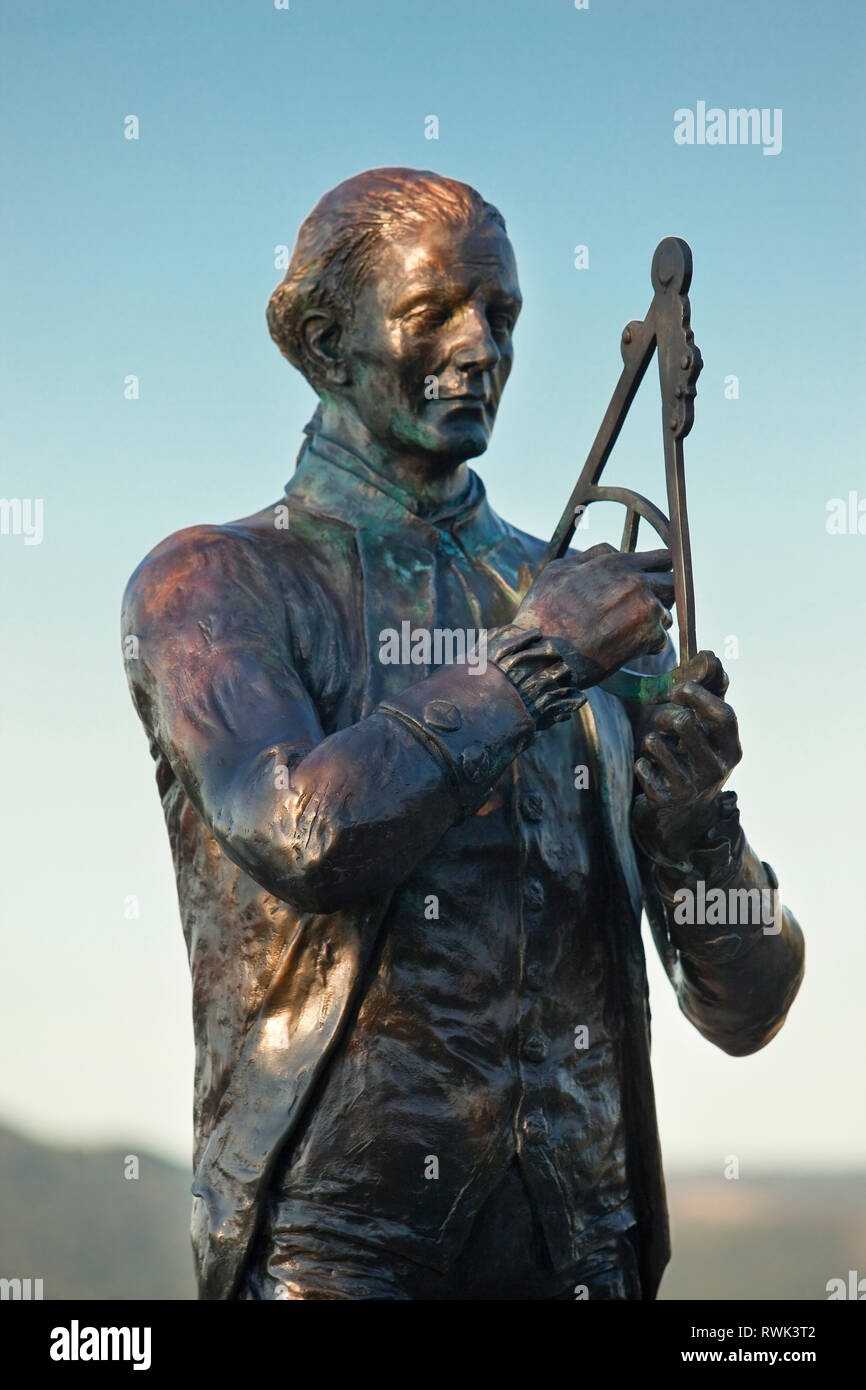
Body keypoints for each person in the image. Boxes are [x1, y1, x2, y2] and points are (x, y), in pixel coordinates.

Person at [121, 167, 804, 1300]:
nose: (479, 345)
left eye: (500, 312)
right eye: (431, 309)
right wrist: (534, 661)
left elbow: (747, 1004)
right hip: (335, 1256)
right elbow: (302, 832)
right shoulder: (215, 582)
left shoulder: (581, 600)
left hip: (586, 1248)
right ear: (324, 338)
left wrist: (694, 830)